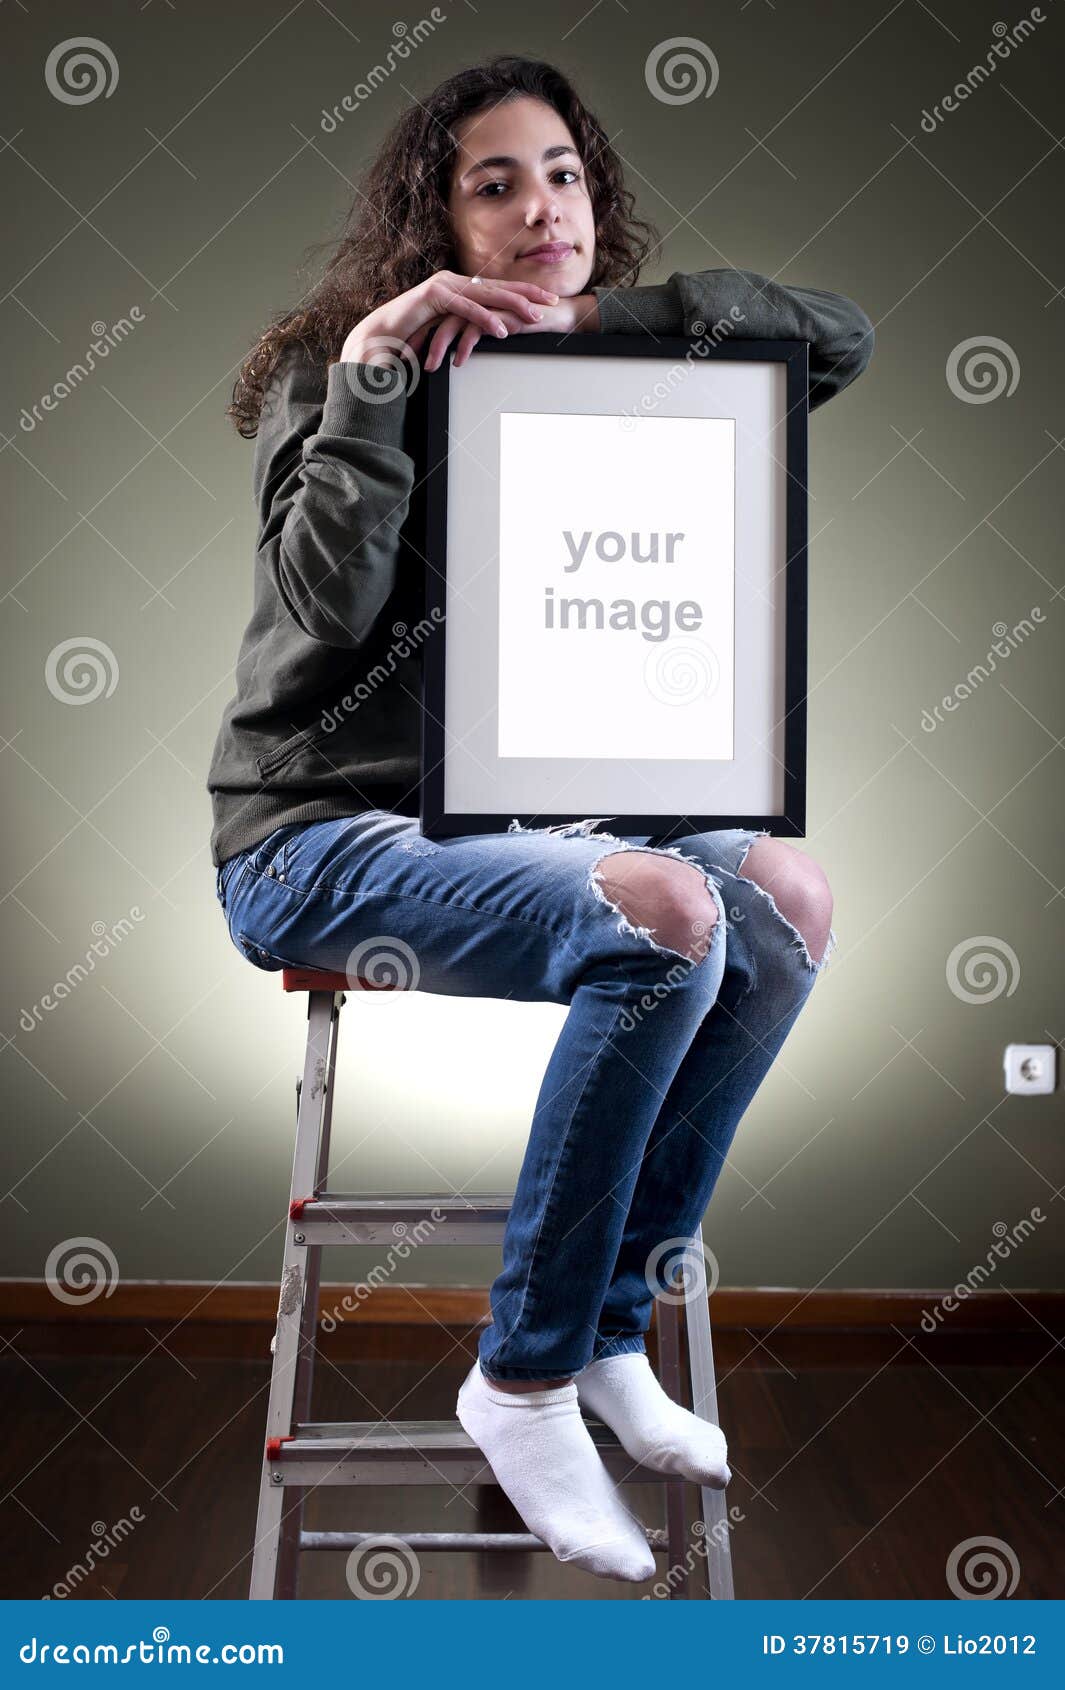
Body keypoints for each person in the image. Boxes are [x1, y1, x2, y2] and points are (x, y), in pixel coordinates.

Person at [208, 54, 874, 1583]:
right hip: (320, 834)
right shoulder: (337, 377)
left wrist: (586, 321)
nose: (538, 206)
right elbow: (320, 614)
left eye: (560, 173)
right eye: (492, 182)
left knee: (784, 896)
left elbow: (832, 337)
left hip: (521, 823)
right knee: (669, 912)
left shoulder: (612, 359)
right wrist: (379, 374)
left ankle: (601, 1334)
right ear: (428, 216)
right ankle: (518, 1376)